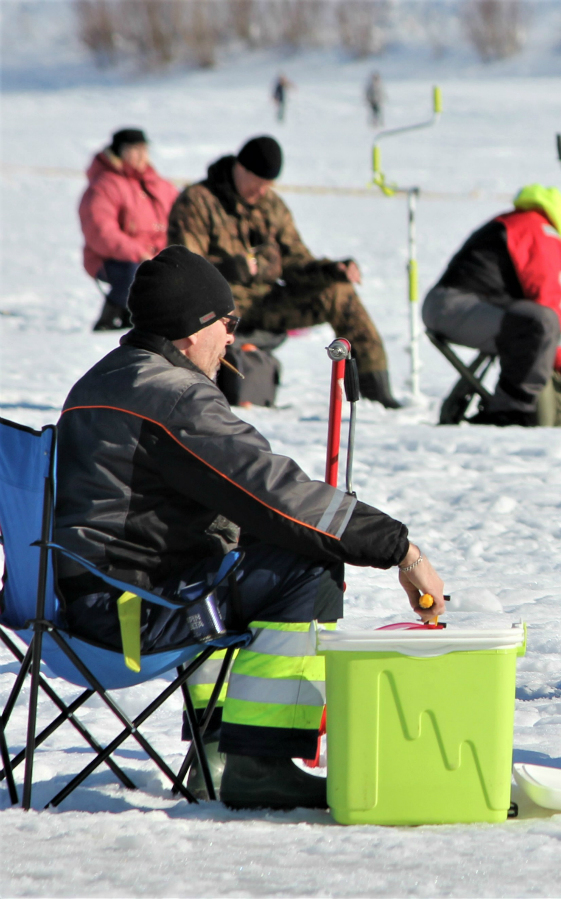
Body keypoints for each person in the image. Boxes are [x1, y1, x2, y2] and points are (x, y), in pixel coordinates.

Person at [51, 247, 445, 810]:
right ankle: (259, 761)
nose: (233, 338)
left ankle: (216, 749)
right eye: (227, 322)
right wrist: (401, 549)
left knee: (233, 551)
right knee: (309, 564)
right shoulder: (173, 396)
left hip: (65, 614)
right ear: (192, 330)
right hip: (127, 620)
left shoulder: (97, 384)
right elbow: (276, 492)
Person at [168, 135, 402, 408]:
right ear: (240, 168)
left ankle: (376, 390)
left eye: (268, 184)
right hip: (219, 305)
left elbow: (296, 262)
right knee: (200, 310)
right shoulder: (197, 201)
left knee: (338, 293)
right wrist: (227, 268)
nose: (263, 191)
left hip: (265, 302)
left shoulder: (271, 206)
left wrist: (330, 271)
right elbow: (184, 268)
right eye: (258, 182)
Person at [422, 183, 561, 427]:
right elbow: (547, 300)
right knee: (540, 323)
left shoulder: (526, 222)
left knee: (533, 323)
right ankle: (511, 414)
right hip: (452, 308)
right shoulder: (541, 231)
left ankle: (509, 409)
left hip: (452, 306)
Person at [78, 128, 178, 331]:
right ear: (118, 152)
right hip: (112, 260)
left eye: (144, 149)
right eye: (134, 150)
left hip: (157, 256)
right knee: (135, 273)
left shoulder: (160, 185)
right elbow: (101, 231)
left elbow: (179, 218)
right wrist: (139, 253)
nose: (141, 155)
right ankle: (109, 319)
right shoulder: (104, 186)